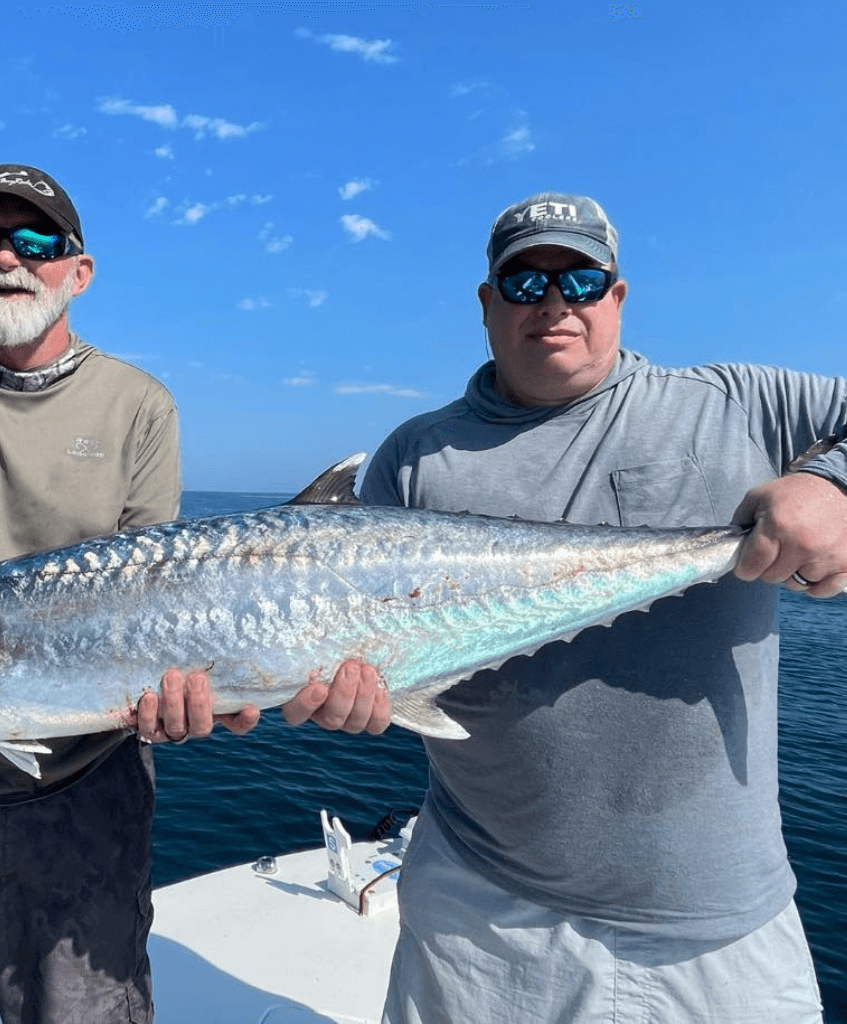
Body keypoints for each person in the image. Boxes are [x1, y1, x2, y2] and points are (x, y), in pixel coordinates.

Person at [0, 162, 387, 1024]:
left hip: (87, 791)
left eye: (35, 240)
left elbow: (164, 599)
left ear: (78, 270)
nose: (6, 257)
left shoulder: (138, 406)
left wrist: (224, 688)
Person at [352, 192, 845, 1023]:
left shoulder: (741, 402)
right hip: (476, 916)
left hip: (714, 932)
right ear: (485, 304)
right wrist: (337, 690)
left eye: (580, 280)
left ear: (617, 298)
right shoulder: (413, 453)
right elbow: (365, 646)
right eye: (523, 282)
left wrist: (833, 485)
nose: (553, 302)